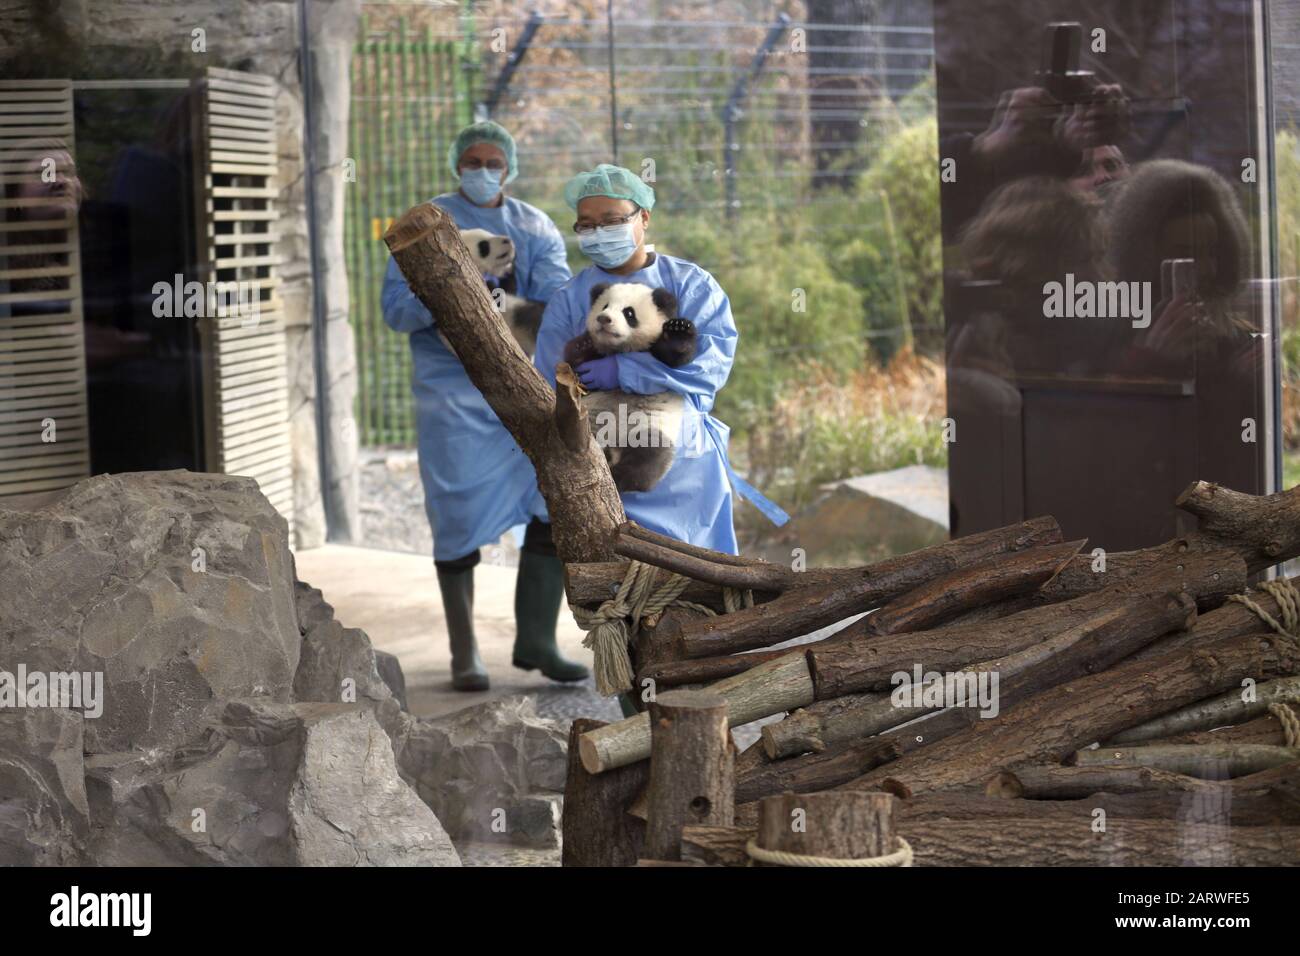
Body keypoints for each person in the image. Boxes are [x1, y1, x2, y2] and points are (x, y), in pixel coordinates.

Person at [381, 120, 588, 691]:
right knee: (455, 516)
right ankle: (464, 652)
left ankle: (538, 640)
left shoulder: (534, 226)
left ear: (509, 167)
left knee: (549, 502)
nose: (482, 171)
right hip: (451, 394)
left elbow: (557, 307)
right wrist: (447, 294)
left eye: (492, 162)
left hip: (521, 384)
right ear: (456, 164)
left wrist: (498, 301)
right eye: (471, 161)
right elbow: (395, 312)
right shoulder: (423, 225)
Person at [530, 164, 787, 560]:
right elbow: (550, 384)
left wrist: (627, 372)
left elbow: (708, 371)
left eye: (612, 221)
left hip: (685, 468)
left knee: (699, 582)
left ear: (644, 217)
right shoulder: (569, 298)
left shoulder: (692, 286)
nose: (599, 232)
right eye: (587, 225)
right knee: (621, 594)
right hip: (604, 466)